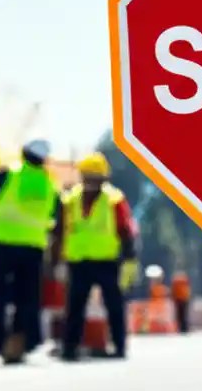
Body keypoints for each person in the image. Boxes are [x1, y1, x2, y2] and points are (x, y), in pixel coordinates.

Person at [0, 138, 59, 364]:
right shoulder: (49, 184)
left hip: (1, 242)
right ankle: (17, 347)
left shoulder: (9, 173)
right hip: (32, 247)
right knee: (27, 300)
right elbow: (54, 217)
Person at [55, 152, 139, 361]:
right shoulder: (70, 199)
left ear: (103, 179)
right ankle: (70, 349)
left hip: (107, 261)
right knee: (75, 307)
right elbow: (60, 230)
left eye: (95, 178)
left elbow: (126, 230)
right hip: (78, 261)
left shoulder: (114, 199)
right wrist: (56, 260)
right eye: (87, 177)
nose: (91, 182)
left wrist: (129, 257)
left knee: (114, 306)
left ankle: (119, 347)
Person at [171, 270, 192, 334]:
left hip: (179, 299)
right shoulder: (184, 281)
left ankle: (182, 328)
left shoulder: (176, 281)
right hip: (183, 299)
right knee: (183, 315)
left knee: (180, 315)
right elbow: (187, 290)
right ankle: (184, 328)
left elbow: (174, 291)